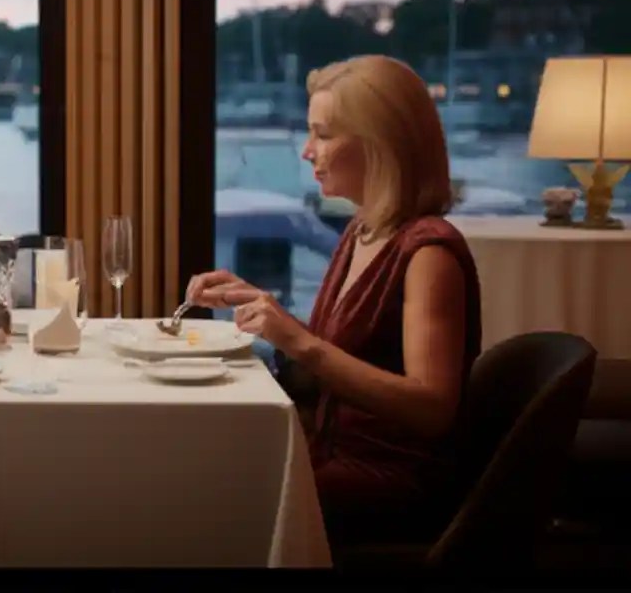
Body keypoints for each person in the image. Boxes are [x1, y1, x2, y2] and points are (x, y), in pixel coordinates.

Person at [186, 55, 482, 550]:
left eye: (322, 135)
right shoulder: (362, 232)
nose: (307, 152)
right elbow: (333, 360)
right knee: (191, 454)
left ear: (380, 143)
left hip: (385, 482)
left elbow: (432, 409)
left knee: (205, 491)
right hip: (327, 452)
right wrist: (265, 312)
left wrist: (299, 340)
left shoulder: (429, 252)